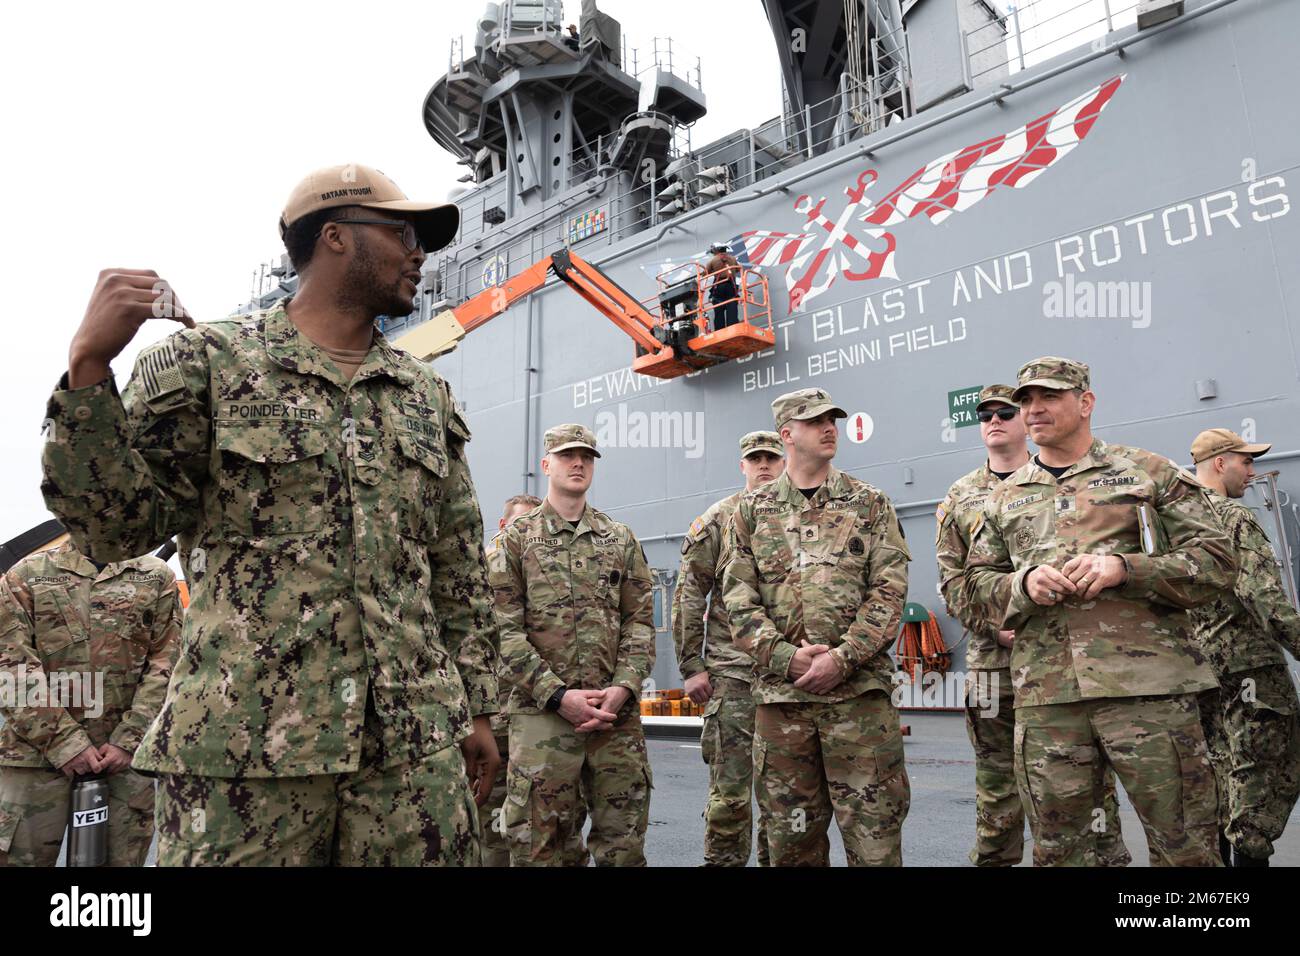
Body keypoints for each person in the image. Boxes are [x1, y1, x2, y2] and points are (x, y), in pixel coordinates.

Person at [39, 163, 500, 866]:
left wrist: (480, 708)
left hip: (411, 761)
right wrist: (89, 368)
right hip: (246, 760)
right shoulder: (208, 364)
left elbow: (457, 566)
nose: (420, 252)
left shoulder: (424, 394)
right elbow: (115, 532)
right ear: (337, 237)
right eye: (403, 231)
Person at [963, 357, 1233, 866]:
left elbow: (1218, 561)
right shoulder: (1002, 499)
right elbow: (970, 587)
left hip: (1150, 693)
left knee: (1185, 845)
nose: (1034, 409)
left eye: (1049, 397)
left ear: (1085, 402)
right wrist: (1022, 584)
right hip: (1048, 699)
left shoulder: (1148, 473)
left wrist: (1126, 569)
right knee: (1061, 851)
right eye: (1026, 401)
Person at [937, 384, 1129, 867]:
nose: (995, 420)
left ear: (1027, 420)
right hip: (992, 664)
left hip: (1066, 660)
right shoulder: (960, 497)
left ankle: (1105, 857)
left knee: (1087, 773)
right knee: (996, 776)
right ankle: (996, 861)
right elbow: (952, 582)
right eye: (986, 415)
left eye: (1006, 411)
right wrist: (994, 628)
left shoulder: (1065, 482)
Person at [722, 388, 911, 866]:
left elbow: (889, 593)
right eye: (815, 422)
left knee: (875, 839)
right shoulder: (750, 512)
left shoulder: (869, 504)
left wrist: (842, 657)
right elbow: (737, 601)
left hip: (859, 700)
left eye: (833, 420)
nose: (830, 428)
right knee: (791, 843)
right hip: (783, 706)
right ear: (787, 434)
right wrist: (785, 658)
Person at [491, 425, 655, 866]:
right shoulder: (514, 541)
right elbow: (501, 631)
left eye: (586, 456)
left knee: (624, 843)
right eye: (567, 456)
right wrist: (558, 696)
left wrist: (623, 687)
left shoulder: (619, 538)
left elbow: (640, 623)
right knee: (539, 845)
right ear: (547, 465)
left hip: (613, 716)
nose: (578, 463)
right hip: (543, 716)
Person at [0, 539, 180, 866]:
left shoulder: (156, 577)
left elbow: (168, 664)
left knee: (109, 899)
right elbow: (10, 666)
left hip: (124, 764)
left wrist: (130, 739)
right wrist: (64, 741)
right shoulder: (28, 574)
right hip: (34, 757)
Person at [1189, 428, 1300, 867]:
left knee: (1220, 770)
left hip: (1202, 671)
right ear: (1220, 463)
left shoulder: (1177, 520)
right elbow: (1265, 599)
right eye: (1245, 462)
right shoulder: (1233, 518)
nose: (1252, 473)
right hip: (1250, 668)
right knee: (1266, 770)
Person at [673, 430, 784, 866]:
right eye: (755, 459)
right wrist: (691, 666)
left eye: (771, 458)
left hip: (785, 678)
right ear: (742, 465)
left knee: (784, 795)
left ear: (784, 460)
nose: (763, 466)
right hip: (732, 676)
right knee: (730, 795)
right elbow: (688, 593)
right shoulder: (718, 519)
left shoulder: (798, 517)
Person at [481, 494, 540, 867]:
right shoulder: (478, 572)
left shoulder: (542, 577)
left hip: (533, 716)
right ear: (503, 527)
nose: (528, 532)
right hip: (494, 715)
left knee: (532, 823)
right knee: (490, 819)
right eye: (521, 523)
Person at [704, 243, 741, 331]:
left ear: (716, 250)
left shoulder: (713, 260)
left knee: (719, 308)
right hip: (731, 286)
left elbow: (706, 273)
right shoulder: (732, 258)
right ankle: (733, 327)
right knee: (732, 305)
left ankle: (720, 330)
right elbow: (738, 269)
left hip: (719, 286)